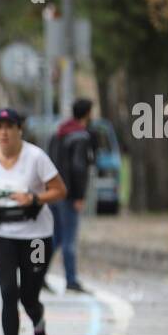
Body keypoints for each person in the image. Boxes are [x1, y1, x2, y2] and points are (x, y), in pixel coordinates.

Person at [0, 108, 68, 335]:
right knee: (8, 294)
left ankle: (38, 326)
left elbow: (60, 191)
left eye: (9, 126)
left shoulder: (36, 157)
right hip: (1, 234)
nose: (4, 132)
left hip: (35, 238)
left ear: (19, 130)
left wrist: (35, 199)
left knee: (29, 296)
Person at [47, 98, 95, 293]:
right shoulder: (81, 137)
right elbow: (79, 168)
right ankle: (71, 280)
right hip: (69, 194)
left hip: (53, 191)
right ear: (87, 114)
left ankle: (38, 274)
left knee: (55, 237)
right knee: (68, 238)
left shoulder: (58, 133)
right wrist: (79, 195)